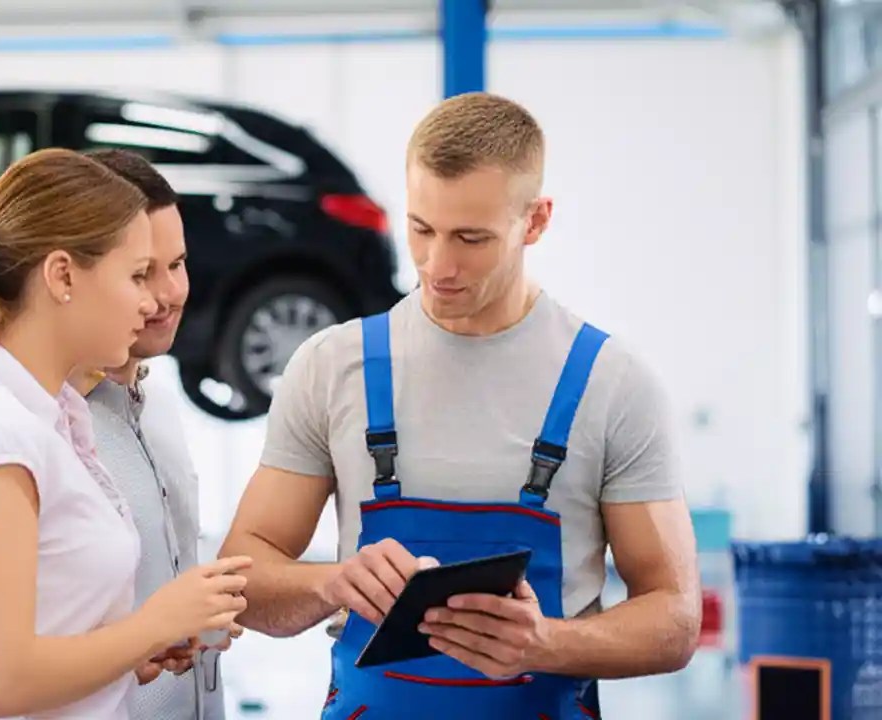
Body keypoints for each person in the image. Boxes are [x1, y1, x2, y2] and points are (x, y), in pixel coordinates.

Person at [218, 92, 701, 719]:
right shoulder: (331, 368)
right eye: (422, 229)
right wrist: (329, 584)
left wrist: (547, 643)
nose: (437, 266)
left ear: (536, 220)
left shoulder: (613, 383)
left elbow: (675, 614)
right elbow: (243, 578)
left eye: (471, 238)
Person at [0, 148, 251, 720]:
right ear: (63, 274)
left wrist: (129, 652)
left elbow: (38, 634)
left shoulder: (50, 415)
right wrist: (151, 624)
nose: (152, 300)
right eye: (137, 275)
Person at [68, 149, 237, 720]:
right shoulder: (40, 429)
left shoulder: (158, 405)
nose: (167, 295)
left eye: (178, 263)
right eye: (143, 272)